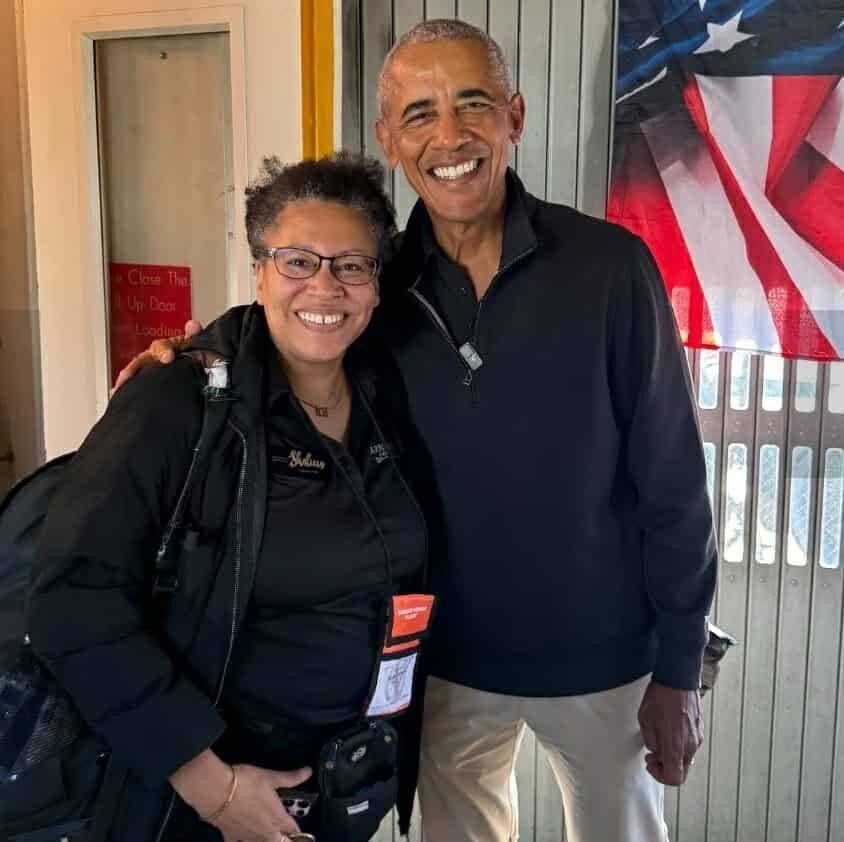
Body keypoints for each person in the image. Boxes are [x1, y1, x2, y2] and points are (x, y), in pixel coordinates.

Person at [117, 19, 718, 842]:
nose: (449, 136)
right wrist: (184, 359)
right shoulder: (373, 282)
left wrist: (680, 666)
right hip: (444, 663)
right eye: (420, 113)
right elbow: (285, 328)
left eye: (473, 104)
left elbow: (676, 480)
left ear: (514, 115)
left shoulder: (609, 269)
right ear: (389, 138)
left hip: (607, 661)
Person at [28, 154, 433, 842]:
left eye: (351, 266)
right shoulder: (178, 400)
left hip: (342, 787)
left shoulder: (384, 393)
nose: (324, 286)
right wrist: (213, 789)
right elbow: (72, 598)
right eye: (297, 261)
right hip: (205, 801)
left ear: (374, 286)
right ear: (259, 272)